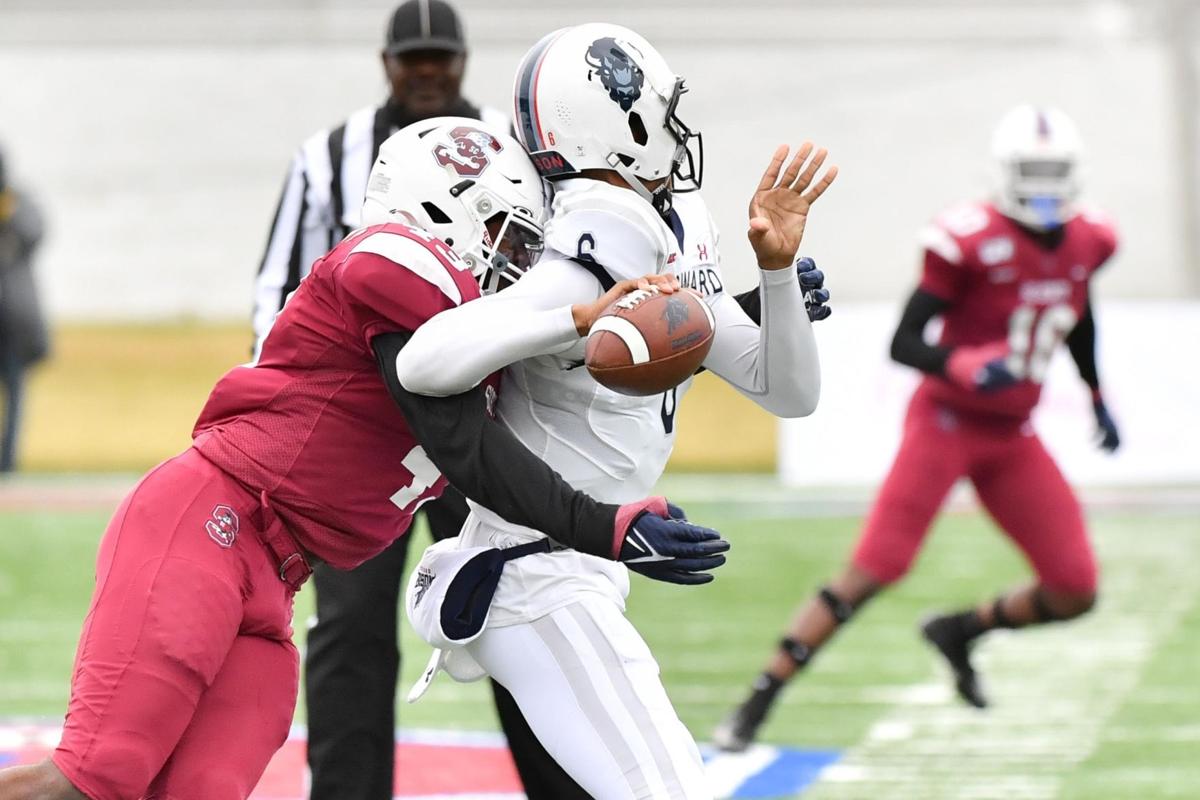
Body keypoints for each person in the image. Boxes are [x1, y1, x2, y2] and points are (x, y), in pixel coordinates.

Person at [0, 117, 728, 800]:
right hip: (210, 526)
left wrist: (738, 300)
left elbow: (561, 414)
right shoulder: (391, 260)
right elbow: (464, 445)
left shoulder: (477, 333)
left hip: (280, 580)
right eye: (504, 237)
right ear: (445, 210)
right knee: (95, 777)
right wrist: (605, 526)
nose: (514, 263)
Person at [394, 24, 838, 798]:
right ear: (619, 123)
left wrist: (775, 274)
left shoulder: (664, 223)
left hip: (582, 573)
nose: (675, 127)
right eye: (661, 111)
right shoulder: (592, 242)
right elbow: (421, 363)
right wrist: (576, 316)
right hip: (533, 578)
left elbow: (787, 391)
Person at [713, 104, 1121, 752]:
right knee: (876, 567)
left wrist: (1096, 393)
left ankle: (960, 631)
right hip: (947, 421)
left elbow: (1079, 309)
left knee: (1075, 587)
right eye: (1033, 173)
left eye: (1054, 174)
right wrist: (960, 363)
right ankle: (759, 698)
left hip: (1013, 434)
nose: (1044, 189)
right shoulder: (968, 239)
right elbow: (904, 342)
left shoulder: (1090, 239)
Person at [250, 3, 566, 796]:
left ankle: (564, 783)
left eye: (440, 58)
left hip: (479, 422)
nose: (427, 72)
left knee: (515, 610)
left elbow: (548, 274)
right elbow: (276, 292)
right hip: (361, 435)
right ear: (387, 63)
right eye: (412, 59)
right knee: (350, 624)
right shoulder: (329, 157)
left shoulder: (513, 146)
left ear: (462, 61)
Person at [0, 146, 49, 473]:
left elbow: (35, 232)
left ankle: (7, 463)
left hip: (14, 322)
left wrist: (9, 213)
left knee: (16, 393)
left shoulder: (17, 202)